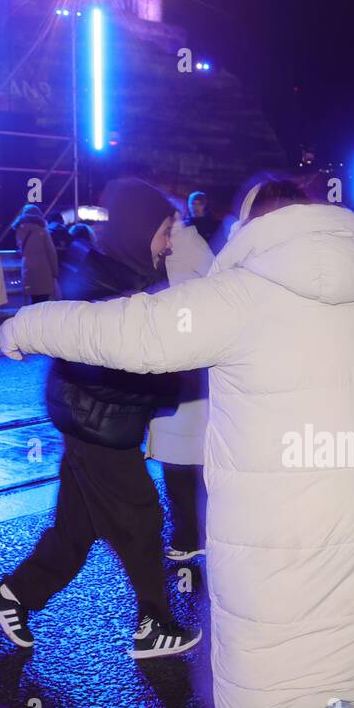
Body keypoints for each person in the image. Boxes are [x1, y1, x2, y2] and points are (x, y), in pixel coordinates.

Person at [0, 178, 354, 708]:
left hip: (276, 511)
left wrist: (25, 325)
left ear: (253, 229)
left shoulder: (239, 296)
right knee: (346, 620)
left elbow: (133, 332)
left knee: (275, 636)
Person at [0, 178, 200, 660]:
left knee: (75, 530)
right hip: (99, 425)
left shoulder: (119, 274)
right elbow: (105, 365)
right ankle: (155, 623)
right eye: (164, 232)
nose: (167, 244)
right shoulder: (107, 284)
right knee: (141, 520)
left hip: (91, 421)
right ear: (139, 229)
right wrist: (176, 380)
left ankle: (14, 596)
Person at [147, 217, 215, 562]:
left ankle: (192, 534)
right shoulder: (166, 247)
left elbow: (214, 290)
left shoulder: (185, 243)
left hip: (187, 368)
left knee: (186, 458)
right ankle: (191, 532)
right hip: (175, 368)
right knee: (182, 458)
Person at [13, 204, 58, 305]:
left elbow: (21, 249)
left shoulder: (19, 230)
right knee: (43, 304)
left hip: (27, 270)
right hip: (43, 271)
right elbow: (51, 253)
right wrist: (55, 272)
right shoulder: (42, 231)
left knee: (33, 303)